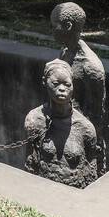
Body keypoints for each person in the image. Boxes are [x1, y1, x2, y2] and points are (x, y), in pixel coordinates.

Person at [24, 59, 98, 189]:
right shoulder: (35, 120)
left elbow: (91, 173)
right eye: (56, 84)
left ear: (73, 86)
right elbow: (30, 164)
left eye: (67, 85)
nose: (62, 89)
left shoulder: (85, 128)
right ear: (44, 82)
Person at [50, 2, 107, 173]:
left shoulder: (91, 67)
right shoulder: (65, 53)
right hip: (61, 123)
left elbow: (97, 115)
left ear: (67, 26)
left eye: (54, 26)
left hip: (80, 135)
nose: (51, 30)